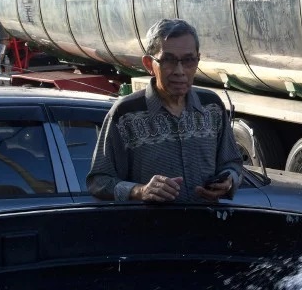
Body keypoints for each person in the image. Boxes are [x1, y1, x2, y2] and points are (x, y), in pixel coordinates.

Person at [88, 18, 242, 204]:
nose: (179, 71)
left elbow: (232, 163)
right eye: (168, 60)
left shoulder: (212, 107)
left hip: (207, 228)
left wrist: (229, 180)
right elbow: (98, 182)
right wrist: (140, 190)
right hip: (152, 230)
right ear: (148, 64)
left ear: (198, 60)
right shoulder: (125, 114)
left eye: (188, 61)